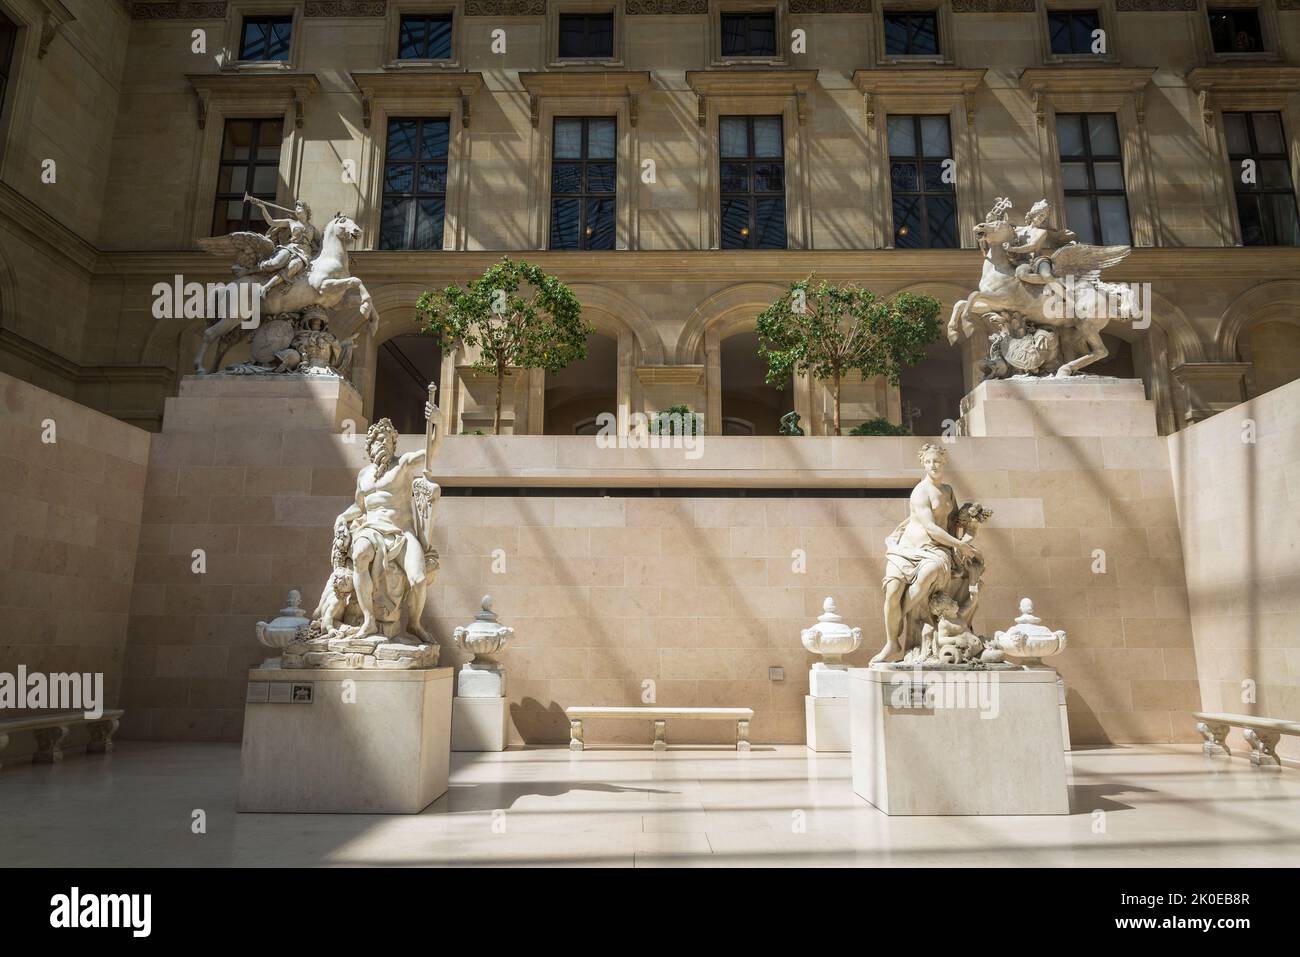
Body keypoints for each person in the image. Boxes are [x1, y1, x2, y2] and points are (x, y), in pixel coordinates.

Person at [871, 443, 980, 665]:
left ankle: (898, 620)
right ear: (923, 463)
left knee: (928, 574)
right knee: (892, 590)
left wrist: (972, 516)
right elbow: (930, 527)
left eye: (937, 461)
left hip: (936, 551)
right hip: (907, 549)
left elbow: (953, 521)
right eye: (929, 461)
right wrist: (960, 545)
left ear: (944, 462)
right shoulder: (920, 491)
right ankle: (892, 640)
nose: (933, 465)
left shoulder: (948, 490)